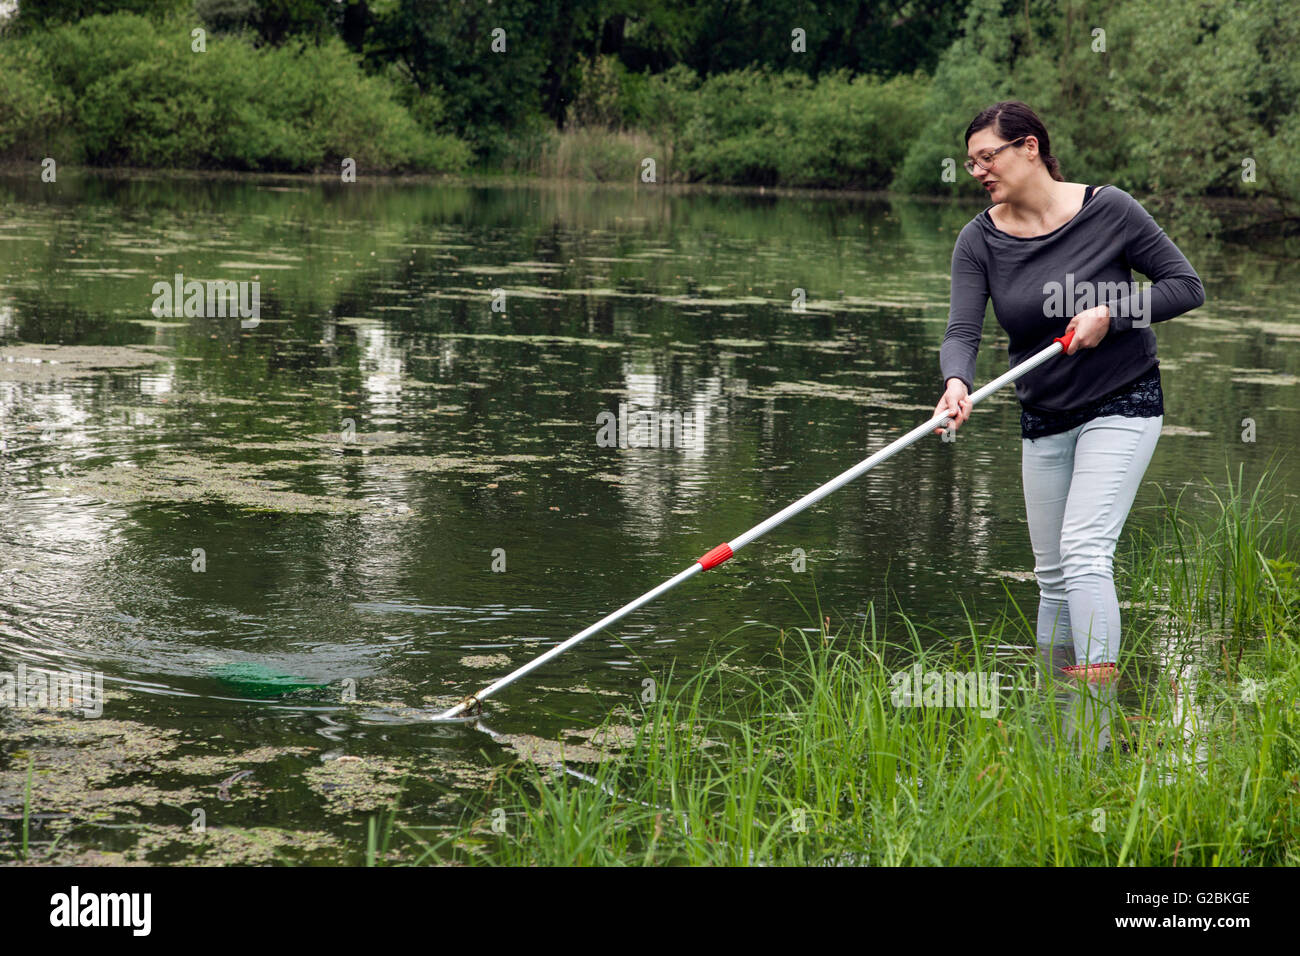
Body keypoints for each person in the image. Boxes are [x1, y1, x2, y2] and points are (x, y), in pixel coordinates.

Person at [934, 101, 1205, 685]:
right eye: (971, 162)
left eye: (988, 157)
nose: (978, 170)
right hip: (1044, 411)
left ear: (1029, 147)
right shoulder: (977, 241)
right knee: (1052, 573)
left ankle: (1096, 697)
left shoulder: (1110, 210)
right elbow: (962, 331)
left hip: (1122, 400)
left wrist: (1115, 313)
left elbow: (1186, 287)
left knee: (1084, 550)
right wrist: (957, 382)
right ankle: (1055, 710)